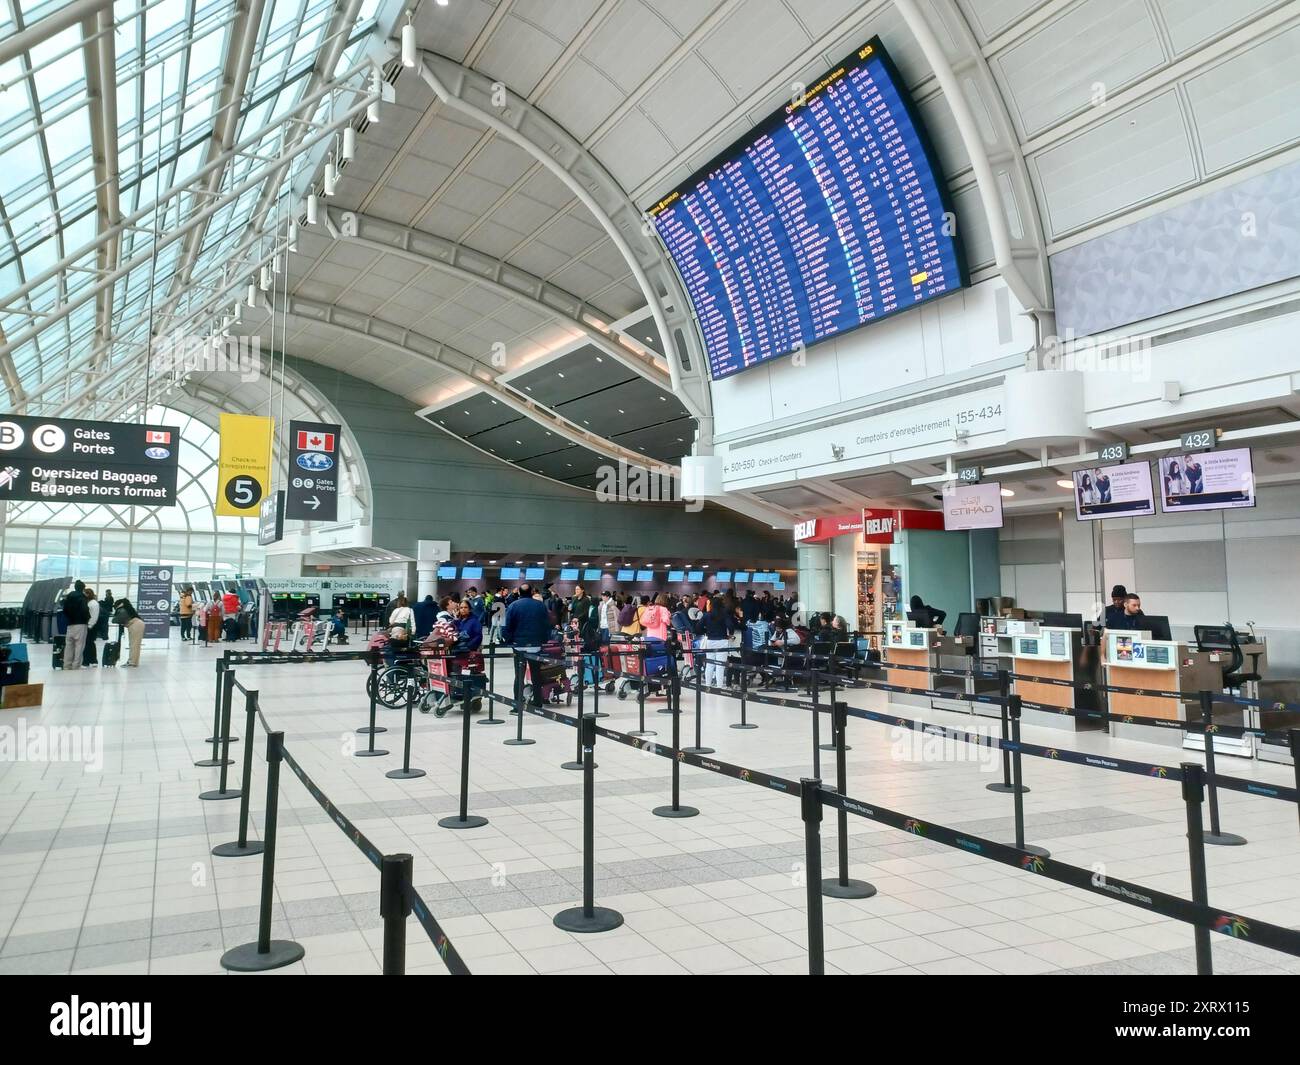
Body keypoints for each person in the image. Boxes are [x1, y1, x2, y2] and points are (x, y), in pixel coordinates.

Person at [502, 584, 551, 708]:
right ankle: (538, 702)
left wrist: (509, 640)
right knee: (536, 675)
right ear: (532, 592)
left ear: (519, 592)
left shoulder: (513, 606)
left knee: (519, 676)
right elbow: (546, 625)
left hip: (518, 646)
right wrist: (544, 640)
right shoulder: (540, 605)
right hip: (535, 645)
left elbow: (506, 626)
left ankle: (517, 703)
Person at [701, 594, 732, 689]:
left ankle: (708, 685)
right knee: (720, 665)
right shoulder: (724, 614)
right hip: (722, 640)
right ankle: (719, 686)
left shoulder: (707, 615)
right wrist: (730, 634)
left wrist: (705, 632)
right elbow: (730, 625)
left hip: (710, 640)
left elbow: (698, 627)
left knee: (709, 664)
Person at [61, 580, 90, 671]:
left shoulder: (69, 597)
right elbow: (84, 610)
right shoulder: (82, 597)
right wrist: (87, 618)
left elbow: (64, 610)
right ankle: (76, 666)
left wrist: (69, 618)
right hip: (81, 624)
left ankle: (66, 665)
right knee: (79, 646)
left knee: (69, 645)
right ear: (83, 588)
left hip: (70, 624)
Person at [385, 594, 414, 667]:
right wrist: (413, 632)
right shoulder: (410, 610)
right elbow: (412, 622)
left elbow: (391, 621)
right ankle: (402, 667)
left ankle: (394, 666)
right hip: (403, 633)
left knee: (394, 651)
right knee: (404, 652)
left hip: (394, 632)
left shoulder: (396, 610)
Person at [114, 599, 145, 667]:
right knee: (134, 644)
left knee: (134, 645)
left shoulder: (122, 609)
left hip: (135, 625)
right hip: (137, 624)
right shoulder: (127, 607)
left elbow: (115, 620)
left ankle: (132, 663)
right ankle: (133, 661)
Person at [82, 589, 100, 666]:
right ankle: (92, 661)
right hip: (90, 625)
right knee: (90, 643)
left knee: (88, 643)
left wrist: (90, 625)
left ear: (88, 594)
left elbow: (94, 616)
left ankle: (88, 661)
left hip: (91, 625)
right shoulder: (91, 602)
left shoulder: (93, 603)